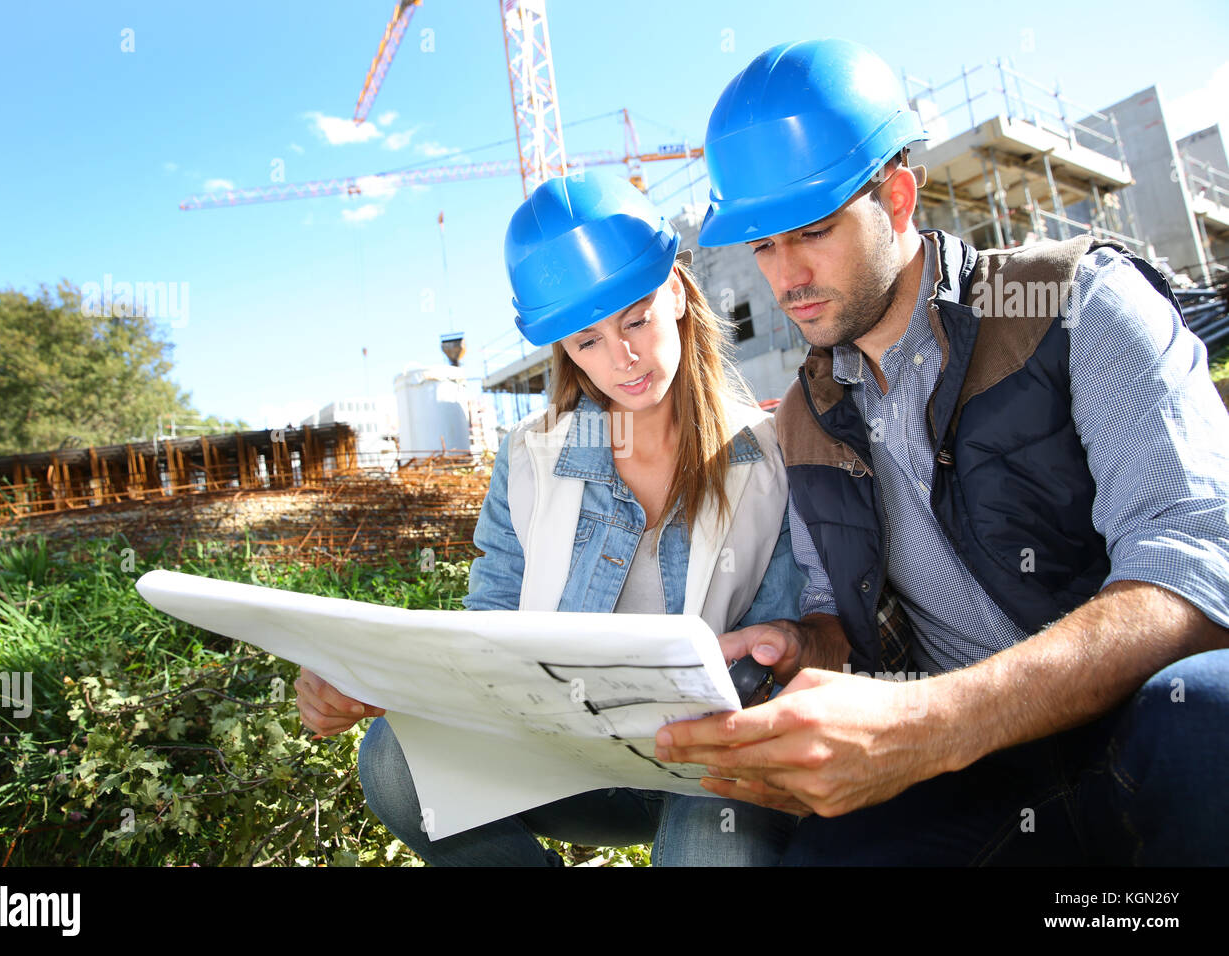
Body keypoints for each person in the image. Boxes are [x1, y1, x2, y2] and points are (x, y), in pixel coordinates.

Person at [654, 38, 1229, 865]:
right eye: (763, 245)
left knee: (1210, 719)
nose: (786, 278)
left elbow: (1195, 568)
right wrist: (798, 643)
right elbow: (835, 613)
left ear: (896, 197)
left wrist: (934, 725)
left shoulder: (1076, 303)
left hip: (1135, 725)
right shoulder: (805, 420)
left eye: (811, 231)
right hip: (979, 777)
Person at [296, 170, 807, 865]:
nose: (622, 359)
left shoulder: (768, 458)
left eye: (636, 318)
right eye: (586, 339)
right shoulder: (531, 457)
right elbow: (488, 628)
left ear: (679, 295)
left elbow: (782, 649)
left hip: (706, 761)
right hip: (572, 760)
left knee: (705, 849)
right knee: (395, 760)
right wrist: (382, 678)